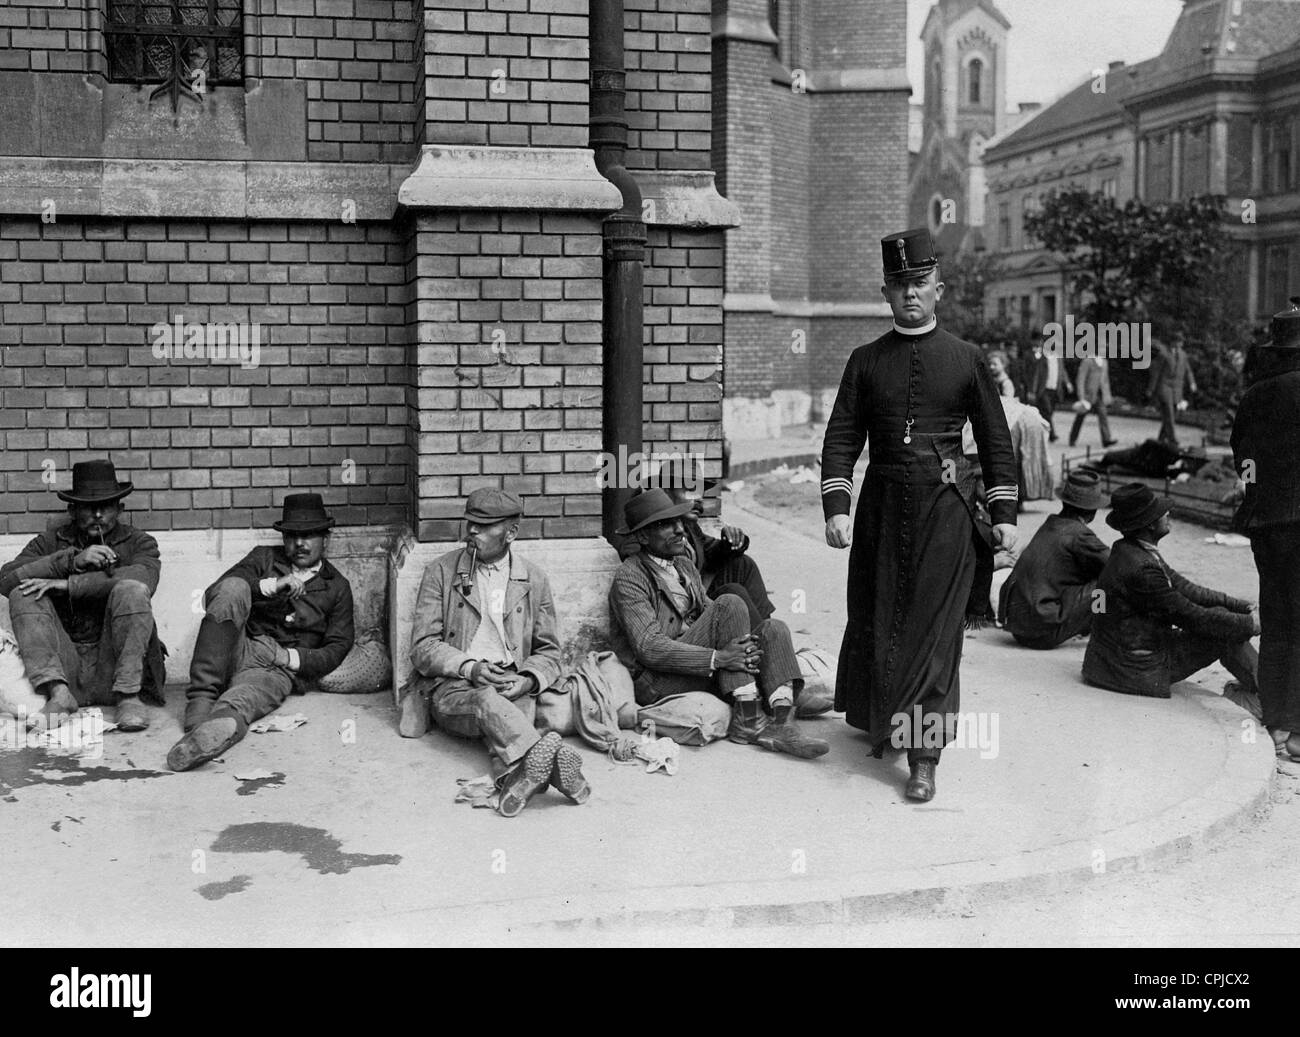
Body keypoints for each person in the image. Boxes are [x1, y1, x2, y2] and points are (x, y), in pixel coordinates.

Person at [820, 227, 1019, 802]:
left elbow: (996, 440)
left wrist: (1003, 511)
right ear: (885, 291)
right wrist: (838, 505)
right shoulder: (864, 362)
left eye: (921, 283)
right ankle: (881, 718)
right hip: (880, 513)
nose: (911, 294)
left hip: (947, 515)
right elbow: (840, 440)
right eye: (900, 284)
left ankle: (924, 756)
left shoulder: (967, 359)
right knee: (880, 620)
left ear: (940, 289)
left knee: (934, 637)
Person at [405, 489, 587, 818]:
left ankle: (518, 782)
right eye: (470, 523)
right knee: (489, 703)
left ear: (511, 533)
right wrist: (470, 667)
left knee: (504, 718)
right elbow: (422, 647)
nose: (472, 530)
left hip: (510, 680)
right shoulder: (441, 573)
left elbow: (549, 650)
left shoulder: (534, 578)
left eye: (484, 525)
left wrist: (528, 680)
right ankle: (556, 766)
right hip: (454, 686)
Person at [608, 488, 828, 760]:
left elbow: (709, 612)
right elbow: (649, 647)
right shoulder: (630, 577)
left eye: (679, 522)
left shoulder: (683, 564)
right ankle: (748, 718)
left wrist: (747, 646)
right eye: (665, 525)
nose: (679, 530)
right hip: (659, 679)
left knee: (774, 629)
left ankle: (782, 724)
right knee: (730, 602)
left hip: (697, 667)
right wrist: (718, 658)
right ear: (642, 536)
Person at [166, 493, 355, 771]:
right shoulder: (263, 558)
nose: (299, 544)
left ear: (325, 539)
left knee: (244, 699)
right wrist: (272, 585)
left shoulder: (337, 586)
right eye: (292, 536)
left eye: (309, 536)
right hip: (236, 646)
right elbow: (214, 595)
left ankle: (210, 734)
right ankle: (202, 697)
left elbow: (338, 647)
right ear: (283, 538)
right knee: (233, 588)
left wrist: (287, 657)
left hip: (272, 668)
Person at [0, 460, 165, 733]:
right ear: (73, 510)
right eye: (89, 507)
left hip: (115, 665)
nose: (98, 514)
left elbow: (144, 578)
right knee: (24, 591)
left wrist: (68, 584)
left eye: (107, 506)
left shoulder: (140, 542)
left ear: (120, 509)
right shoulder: (51, 542)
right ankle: (59, 695)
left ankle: (128, 697)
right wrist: (70, 561)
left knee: (132, 590)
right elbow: (5, 579)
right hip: (66, 665)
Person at [1082, 483, 1259, 708]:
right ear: (1148, 524)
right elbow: (1191, 616)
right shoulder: (1142, 568)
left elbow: (1186, 588)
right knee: (1225, 631)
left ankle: (1267, 691)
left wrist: (1242, 606)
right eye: (1160, 513)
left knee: (1225, 619)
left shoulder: (1132, 549)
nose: (1167, 514)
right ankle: (1274, 697)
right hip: (1133, 669)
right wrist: (1250, 623)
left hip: (1116, 660)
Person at [1231, 295, 1300, 758]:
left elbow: (1244, 460)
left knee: (1278, 620)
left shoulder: (1255, 394)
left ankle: (1279, 721)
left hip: (1267, 524)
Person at [998, 470, 1110, 649]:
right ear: (1092, 511)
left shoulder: (1051, 524)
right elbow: (1116, 564)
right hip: (1042, 633)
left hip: (1018, 627)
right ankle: (1103, 631)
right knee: (1107, 582)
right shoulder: (1079, 534)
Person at [1147, 332, 1197, 447]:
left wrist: (1192, 383)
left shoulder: (1183, 355)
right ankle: (1172, 439)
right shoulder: (1164, 354)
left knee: (1172, 414)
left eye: (1181, 342)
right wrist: (1151, 389)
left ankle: (1161, 440)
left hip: (1176, 389)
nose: (1181, 344)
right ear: (1173, 342)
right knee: (1169, 413)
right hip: (1164, 386)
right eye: (1179, 341)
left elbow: (1188, 370)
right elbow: (1156, 373)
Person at [1026, 340, 1073, 442]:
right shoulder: (1043, 359)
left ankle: (1042, 431)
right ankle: (1052, 434)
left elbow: (1063, 371)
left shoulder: (1059, 359)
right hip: (1044, 390)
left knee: (1049, 412)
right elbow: (1036, 375)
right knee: (1047, 410)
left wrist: (1068, 383)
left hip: (1055, 389)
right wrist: (1033, 390)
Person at [1068, 354, 1118, 448]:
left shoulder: (1104, 362)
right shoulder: (1087, 361)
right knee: (1080, 417)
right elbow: (1081, 379)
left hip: (1100, 395)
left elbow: (1105, 380)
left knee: (1103, 415)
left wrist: (1108, 396)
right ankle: (1072, 439)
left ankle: (1106, 440)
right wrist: (1081, 396)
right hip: (1088, 396)